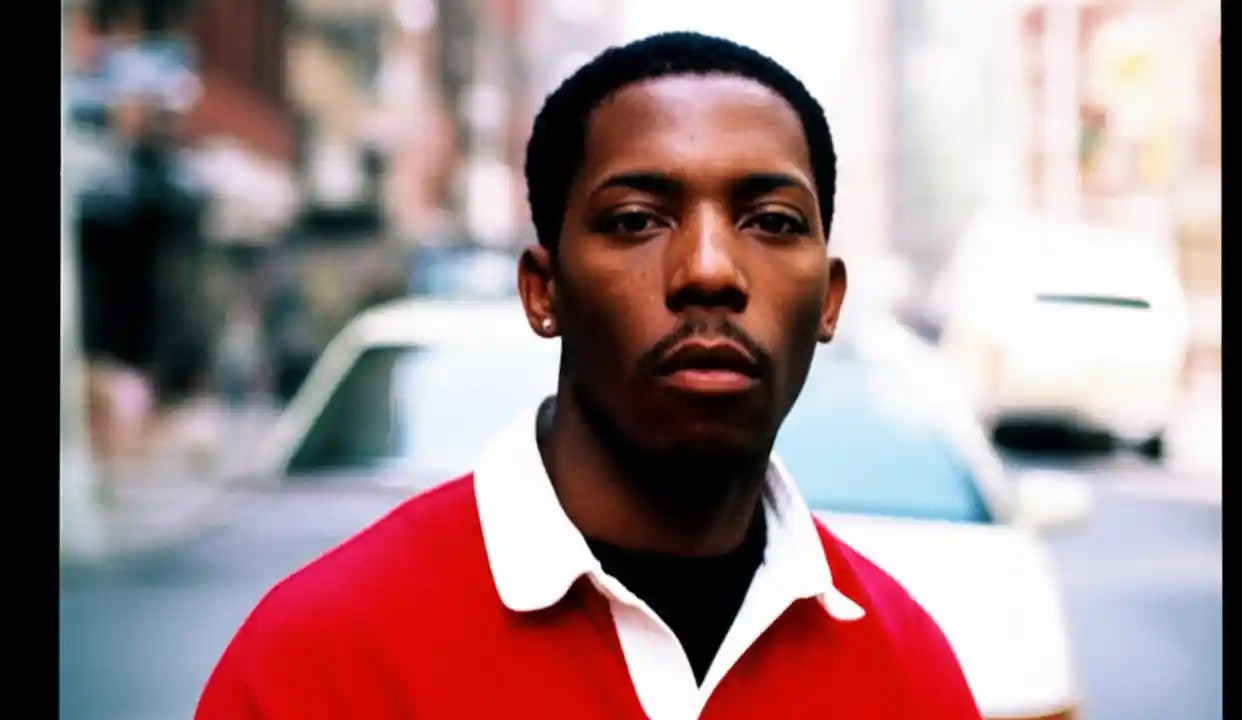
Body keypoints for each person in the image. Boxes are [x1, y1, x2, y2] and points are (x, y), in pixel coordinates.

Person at [196, 32, 982, 719]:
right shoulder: (321, 661)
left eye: (771, 223)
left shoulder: (909, 667)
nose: (709, 270)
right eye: (637, 220)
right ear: (545, 291)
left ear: (829, 300)